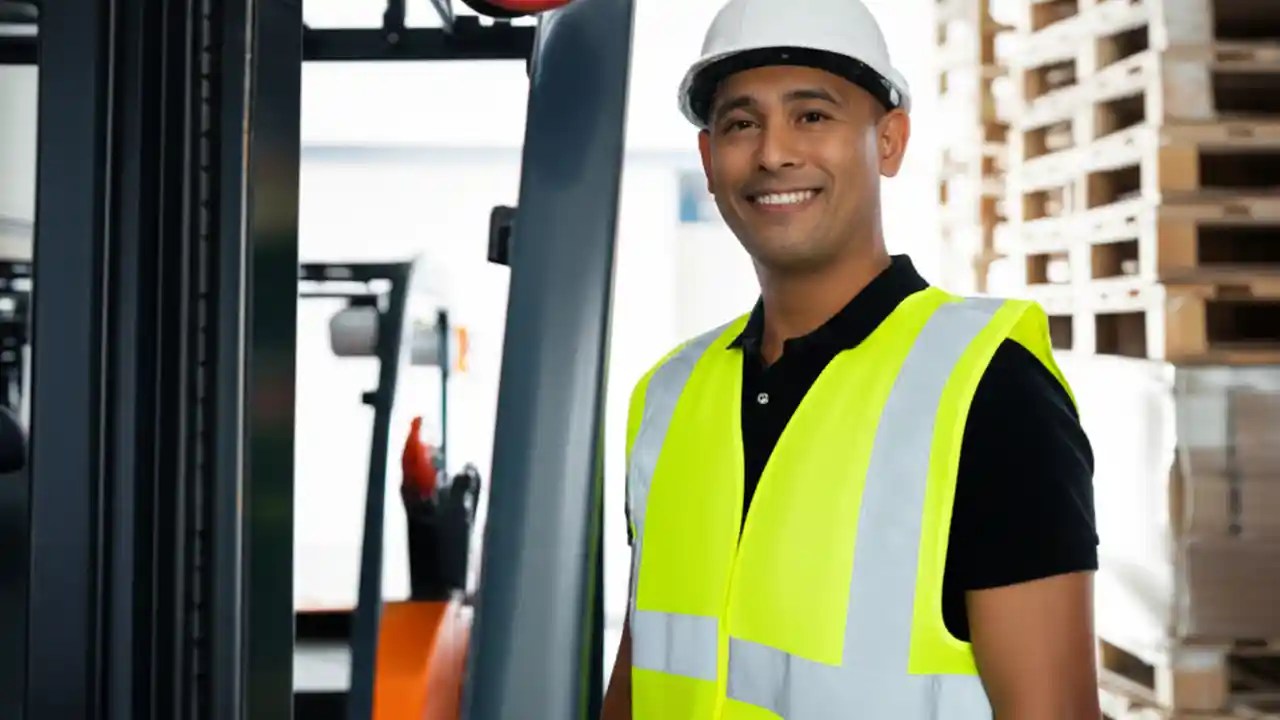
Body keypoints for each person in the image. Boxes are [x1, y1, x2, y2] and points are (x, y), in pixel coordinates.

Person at [600, 0, 1102, 718]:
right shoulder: (669, 396)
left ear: (889, 141)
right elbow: (642, 673)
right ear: (710, 161)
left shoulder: (989, 391)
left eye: (812, 115)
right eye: (742, 123)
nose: (774, 152)